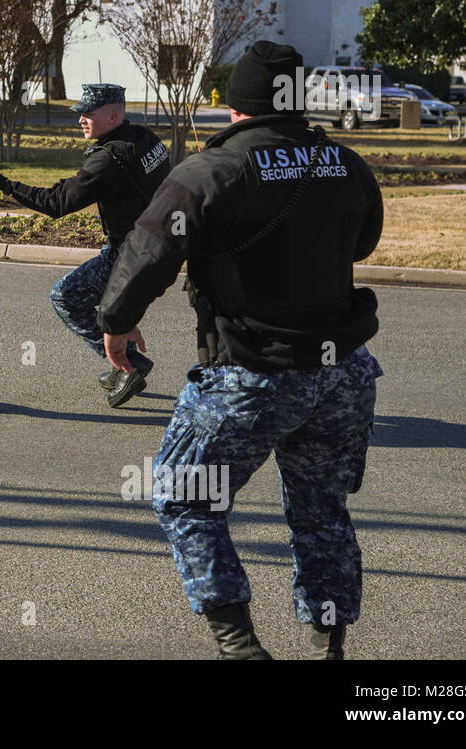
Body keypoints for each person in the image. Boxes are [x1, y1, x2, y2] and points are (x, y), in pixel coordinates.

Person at [97, 41, 384, 659]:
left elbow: (147, 253)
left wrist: (116, 323)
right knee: (321, 510)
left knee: (184, 496)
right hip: (343, 373)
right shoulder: (346, 163)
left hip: (253, 370)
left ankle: (240, 645)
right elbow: (363, 244)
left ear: (234, 104)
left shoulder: (210, 172)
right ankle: (327, 645)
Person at [0, 84, 171, 407]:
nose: (81, 119)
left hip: (130, 253)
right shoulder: (146, 139)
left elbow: (57, 202)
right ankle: (124, 355)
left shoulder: (108, 160)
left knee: (65, 296)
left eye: (88, 113)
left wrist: (8, 186)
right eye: (80, 112)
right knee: (105, 300)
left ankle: (128, 364)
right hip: (153, 242)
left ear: (112, 115)